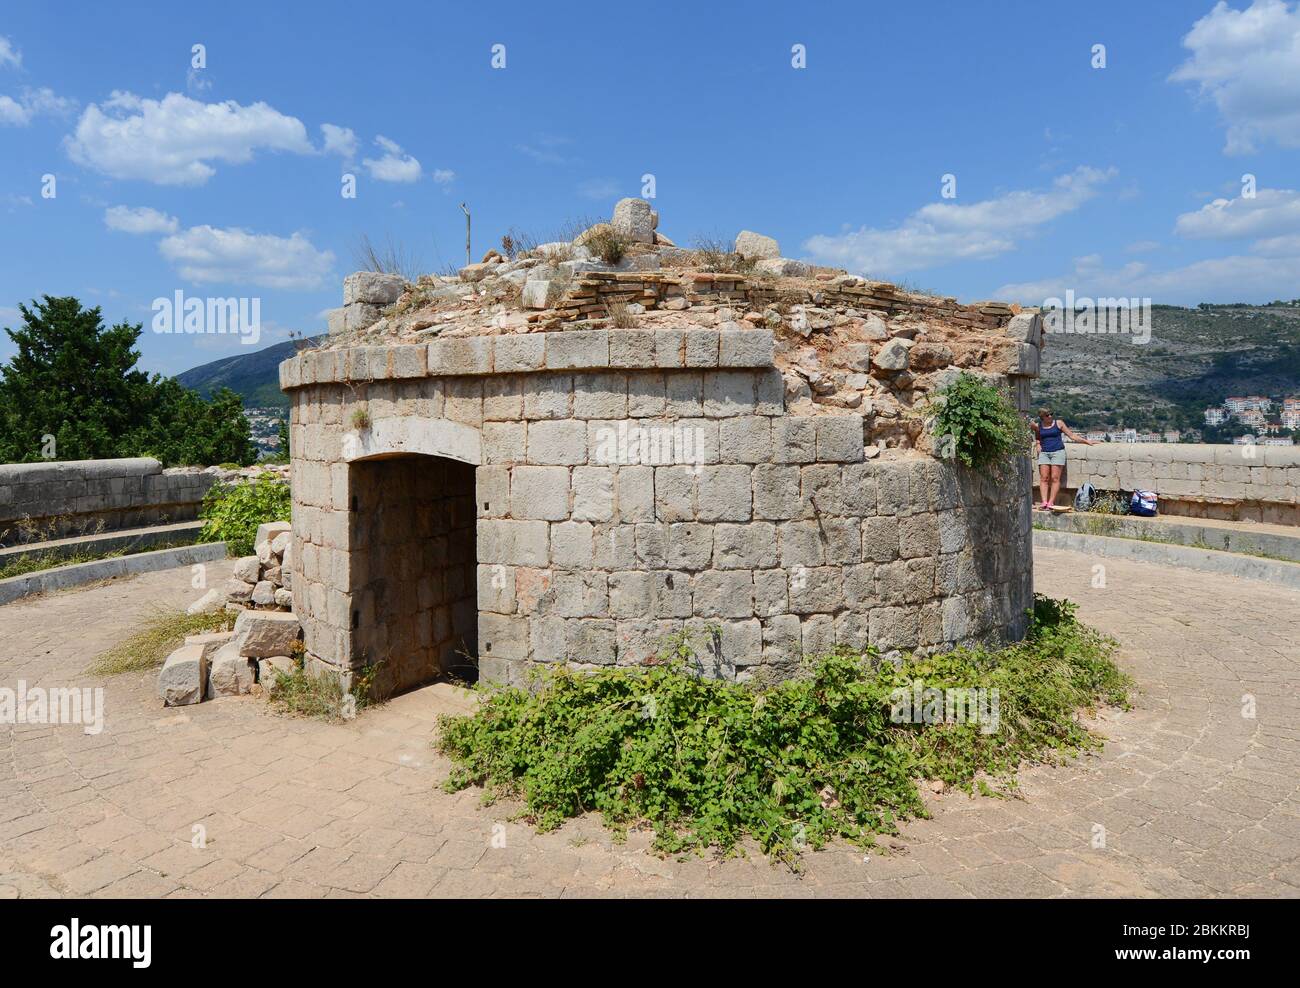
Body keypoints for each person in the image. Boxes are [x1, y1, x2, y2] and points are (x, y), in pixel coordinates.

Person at [1031, 407, 1094, 510]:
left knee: (1055, 478)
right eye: (1047, 415)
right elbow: (1038, 437)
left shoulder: (1059, 423)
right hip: (1044, 453)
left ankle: (1051, 502)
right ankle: (1044, 502)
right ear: (1042, 417)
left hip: (1058, 452)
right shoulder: (1038, 426)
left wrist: (1087, 442)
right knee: (1044, 478)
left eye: (1051, 413)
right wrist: (1038, 444)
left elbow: (1071, 435)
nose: (1050, 416)